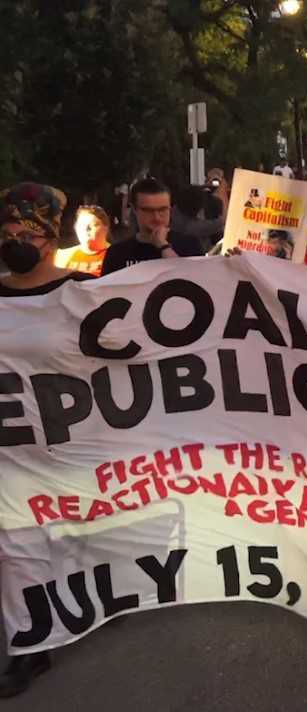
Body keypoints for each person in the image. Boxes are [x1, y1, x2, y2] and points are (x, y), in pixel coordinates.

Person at [0, 183, 94, 698]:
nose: (14, 242)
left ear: (49, 240)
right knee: (16, 545)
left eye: (26, 234)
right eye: (8, 233)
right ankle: (28, 644)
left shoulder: (81, 293)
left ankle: (101, 598)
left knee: (78, 532)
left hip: (73, 438)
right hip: (12, 443)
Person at [101, 178, 201, 276]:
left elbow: (191, 281)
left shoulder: (190, 246)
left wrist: (163, 247)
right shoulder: (117, 253)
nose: (157, 217)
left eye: (162, 210)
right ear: (135, 210)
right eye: (148, 211)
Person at [56, 204, 111, 276]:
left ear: (106, 228)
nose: (86, 230)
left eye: (92, 225)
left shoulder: (115, 256)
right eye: (81, 225)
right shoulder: (62, 255)